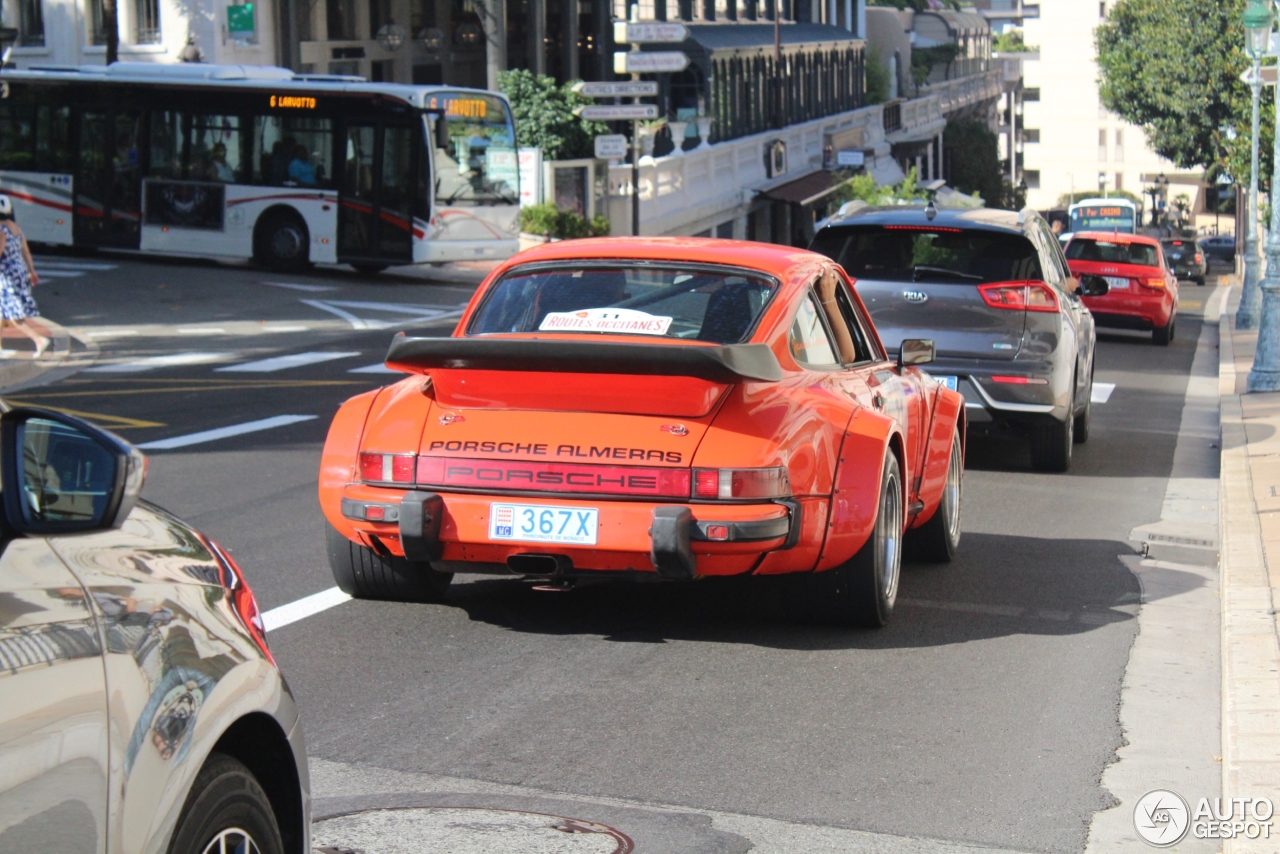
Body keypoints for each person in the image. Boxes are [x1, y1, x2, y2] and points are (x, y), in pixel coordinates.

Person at [0, 195, 47, 358]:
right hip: (19, 271)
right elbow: (25, 251)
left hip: (6, 275)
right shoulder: (16, 228)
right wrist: (32, 271)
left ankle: (39, 340)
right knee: (2, 310)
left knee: (12, 314)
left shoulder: (0, 230)